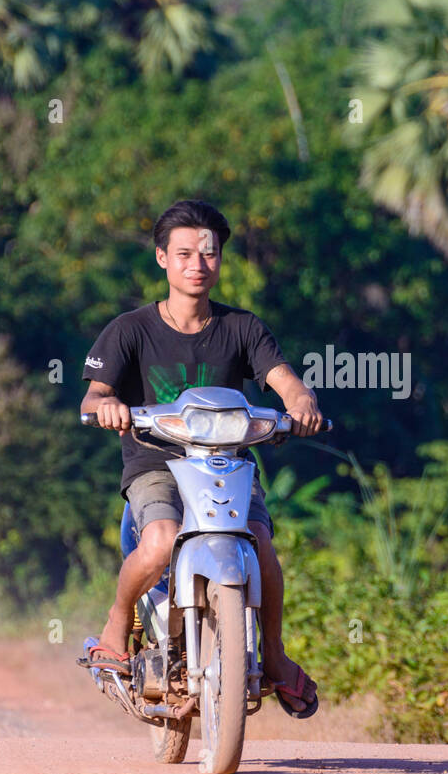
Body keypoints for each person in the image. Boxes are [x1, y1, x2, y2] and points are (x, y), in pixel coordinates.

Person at [79, 199, 323, 717]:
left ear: (220, 260)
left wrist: (301, 404)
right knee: (161, 541)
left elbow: (284, 382)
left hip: (227, 466)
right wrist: (108, 407)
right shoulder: (129, 330)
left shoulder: (243, 328)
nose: (198, 264)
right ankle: (118, 623)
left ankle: (273, 655)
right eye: (185, 253)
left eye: (209, 254)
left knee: (259, 544)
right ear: (162, 259)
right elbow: (93, 396)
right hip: (156, 465)